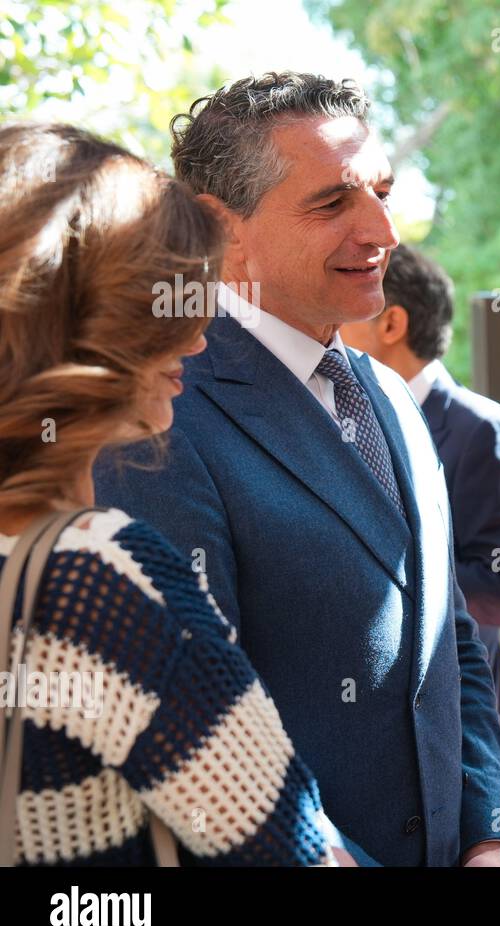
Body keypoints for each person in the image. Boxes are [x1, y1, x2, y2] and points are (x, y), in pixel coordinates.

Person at [94, 73, 500, 867]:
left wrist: (489, 835)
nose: (382, 228)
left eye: (383, 192)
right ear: (224, 231)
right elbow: (189, 731)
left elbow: (454, 641)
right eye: (333, 204)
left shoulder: (391, 397)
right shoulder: (161, 414)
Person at [0, 121, 346, 866]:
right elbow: (298, 853)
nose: (197, 339)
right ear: (98, 328)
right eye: (176, 309)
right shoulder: (95, 582)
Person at [340, 244, 500, 779]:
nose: (333, 330)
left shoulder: (483, 430)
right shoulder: (341, 417)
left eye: (351, 310)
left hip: (456, 731)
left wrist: (386, 572)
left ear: (392, 324)